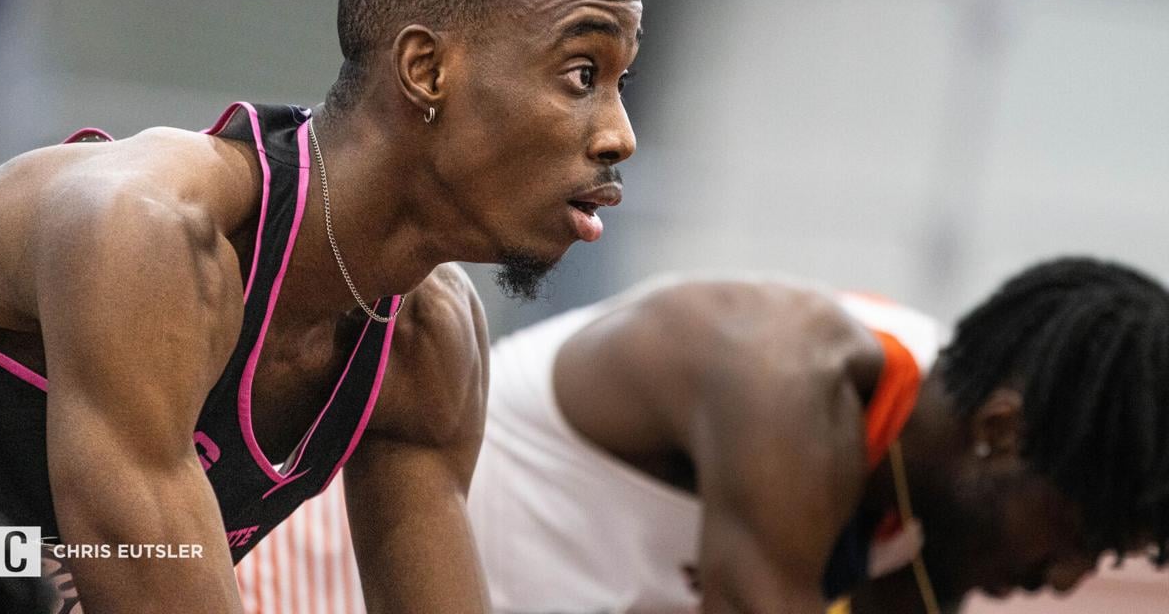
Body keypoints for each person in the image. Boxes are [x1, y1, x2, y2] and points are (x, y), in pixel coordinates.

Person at [0, 0, 641, 614]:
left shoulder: (426, 344)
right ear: (426, 71)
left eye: (620, 83)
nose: (621, 136)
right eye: (583, 74)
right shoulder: (148, 227)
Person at [465, 259, 1168, 613]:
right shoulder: (780, 378)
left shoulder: (941, 500)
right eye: (1078, 532)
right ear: (1002, 431)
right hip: (385, 564)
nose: (1068, 579)